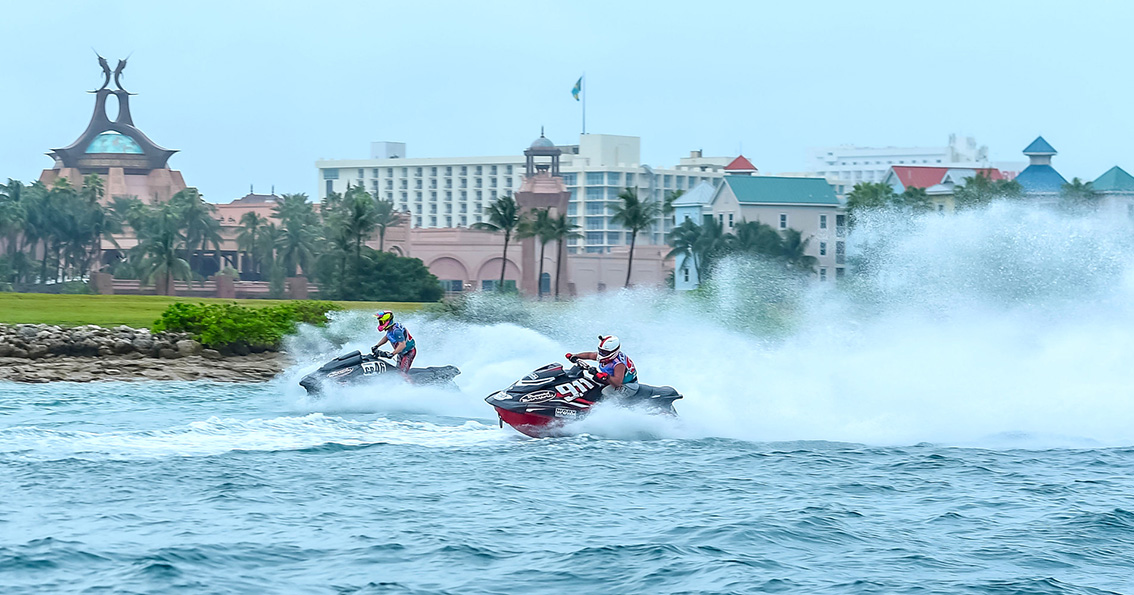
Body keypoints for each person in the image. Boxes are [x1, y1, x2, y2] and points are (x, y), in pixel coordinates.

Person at [565, 335, 639, 399]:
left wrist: (606, 377)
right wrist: (575, 356)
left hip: (627, 386)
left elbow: (617, 383)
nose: (601, 354)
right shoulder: (605, 355)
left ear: (614, 351)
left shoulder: (619, 364)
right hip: (614, 381)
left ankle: (608, 409)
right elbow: (590, 355)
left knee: (605, 392)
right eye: (600, 351)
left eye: (604, 352)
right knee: (593, 381)